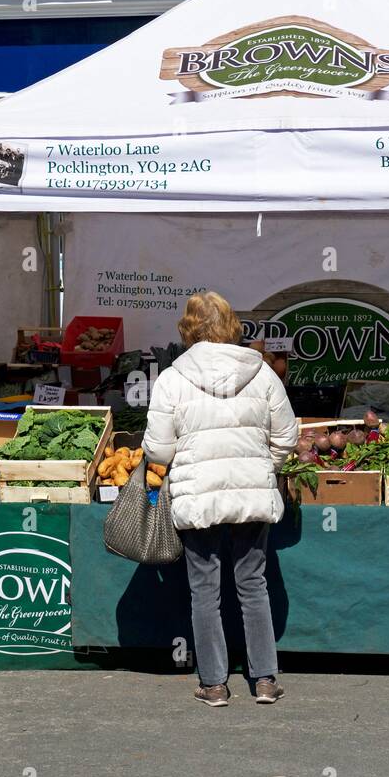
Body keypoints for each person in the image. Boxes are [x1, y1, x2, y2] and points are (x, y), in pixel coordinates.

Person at [142, 291, 298, 707]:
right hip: (251, 493)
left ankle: (213, 684)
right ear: (232, 327)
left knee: (204, 590)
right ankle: (265, 679)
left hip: (199, 496)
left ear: (189, 328)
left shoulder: (172, 379)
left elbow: (157, 450)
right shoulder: (263, 374)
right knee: (253, 583)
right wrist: (265, 465)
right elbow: (287, 436)